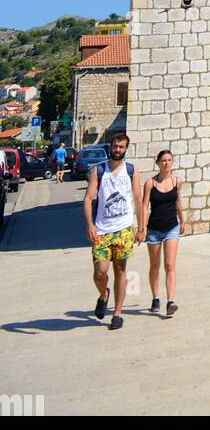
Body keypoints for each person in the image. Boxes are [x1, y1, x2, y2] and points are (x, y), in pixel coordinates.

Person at [83, 133, 143, 330]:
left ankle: (117, 313)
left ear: (126, 149)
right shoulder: (99, 171)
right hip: (102, 229)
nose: (118, 149)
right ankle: (103, 294)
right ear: (111, 146)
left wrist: (141, 226)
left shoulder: (132, 170)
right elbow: (87, 199)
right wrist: (90, 225)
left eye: (121, 147)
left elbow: (138, 198)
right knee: (100, 272)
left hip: (124, 228)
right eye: (115, 146)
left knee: (120, 270)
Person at [140, 149, 185, 317]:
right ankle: (155, 297)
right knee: (154, 265)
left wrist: (182, 219)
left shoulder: (177, 181)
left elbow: (178, 201)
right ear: (158, 163)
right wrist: (142, 227)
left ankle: (170, 301)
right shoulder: (150, 184)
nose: (166, 163)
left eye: (169, 160)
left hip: (171, 227)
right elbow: (144, 206)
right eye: (163, 160)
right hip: (154, 229)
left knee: (169, 265)